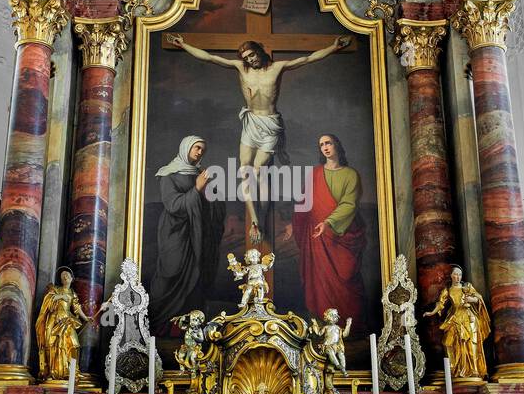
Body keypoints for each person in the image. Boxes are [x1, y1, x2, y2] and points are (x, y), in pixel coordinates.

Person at [170, 33, 349, 244]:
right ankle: (255, 220)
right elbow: (210, 57)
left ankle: (261, 217)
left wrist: (333, 47)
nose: (250, 60)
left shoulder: (277, 68)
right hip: (251, 123)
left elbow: (307, 59)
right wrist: (184, 45)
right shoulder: (241, 68)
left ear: (260, 51)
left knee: (256, 169)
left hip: (270, 124)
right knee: (245, 171)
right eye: (246, 58)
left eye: (252, 55)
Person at [292, 133, 367, 334]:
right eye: (321, 145)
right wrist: (294, 225)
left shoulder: (351, 175)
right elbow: (303, 204)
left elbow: (349, 204)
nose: (325, 147)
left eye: (328, 143)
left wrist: (328, 222)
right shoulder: (314, 174)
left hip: (341, 238)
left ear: (337, 145)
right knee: (318, 283)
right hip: (316, 237)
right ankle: (321, 330)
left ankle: (350, 330)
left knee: (346, 279)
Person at [150, 135, 225, 334]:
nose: (200, 152)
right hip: (176, 235)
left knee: (196, 278)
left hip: (198, 236)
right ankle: (161, 325)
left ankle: (189, 329)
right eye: (197, 148)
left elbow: (212, 205)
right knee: (171, 274)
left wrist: (211, 194)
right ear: (186, 148)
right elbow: (173, 205)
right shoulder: (169, 175)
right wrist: (197, 188)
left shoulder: (200, 173)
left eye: (202, 149)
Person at [424, 266, 491, 380]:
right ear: (451, 276)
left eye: (459, 274)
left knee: (470, 344)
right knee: (448, 343)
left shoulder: (467, 287)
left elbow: (478, 298)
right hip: (454, 318)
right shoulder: (448, 290)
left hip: (469, 318)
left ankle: (473, 370)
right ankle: (457, 370)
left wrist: (471, 300)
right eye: (455, 274)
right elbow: (440, 304)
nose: (458, 277)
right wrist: (431, 312)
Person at [35, 267, 89, 381]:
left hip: (67, 320)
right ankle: (53, 372)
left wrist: (86, 318)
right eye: (63, 276)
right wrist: (61, 296)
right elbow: (48, 300)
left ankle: (73, 371)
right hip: (54, 319)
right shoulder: (55, 289)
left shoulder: (73, 293)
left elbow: (77, 308)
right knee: (52, 344)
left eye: (67, 275)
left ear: (72, 278)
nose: (65, 277)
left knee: (74, 344)